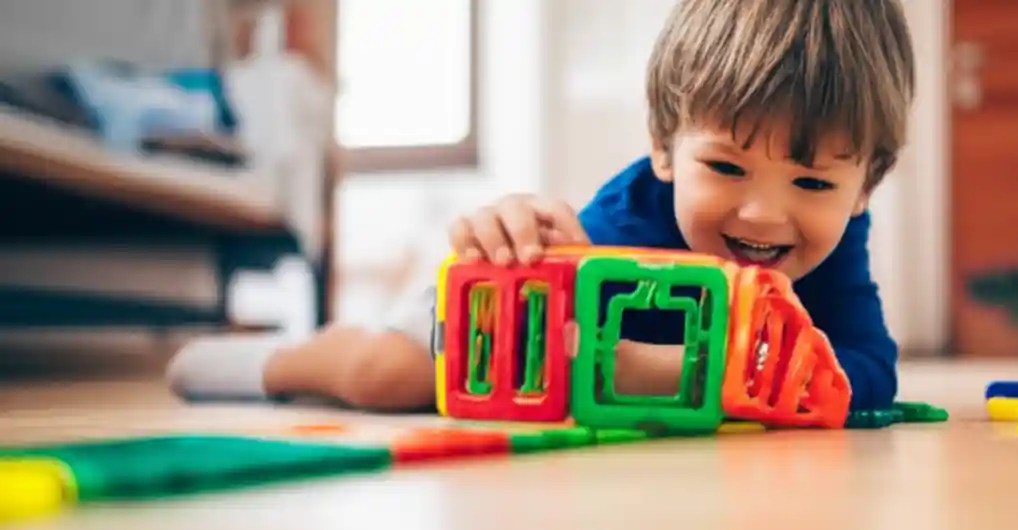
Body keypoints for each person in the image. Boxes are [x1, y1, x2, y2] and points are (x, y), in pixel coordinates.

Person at [167, 0, 915, 413]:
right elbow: (550, 345)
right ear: (663, 147)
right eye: (725, 167)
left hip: (600, 353)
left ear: (864, 187)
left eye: (812, 184)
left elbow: (870, 369)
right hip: (512, 312)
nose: (762, 216)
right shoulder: (625, 221)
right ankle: (267, 360)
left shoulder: (838, 239)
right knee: (382, 378)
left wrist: (665, 369)